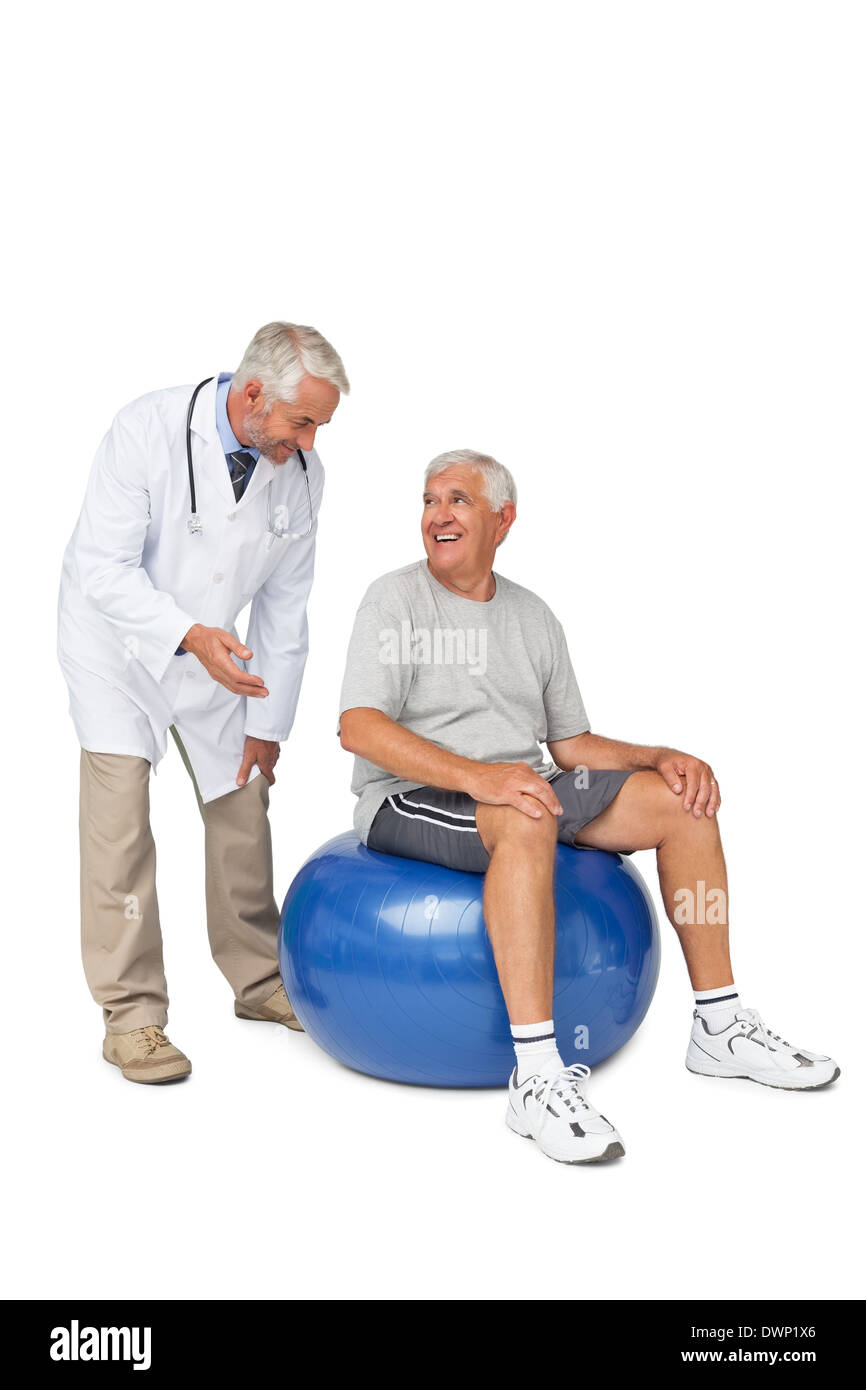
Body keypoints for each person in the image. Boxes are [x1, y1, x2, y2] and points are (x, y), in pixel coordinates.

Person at [337, 449, 840, 1165]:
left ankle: (720, 1027)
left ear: (502, 519)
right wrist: (480, 777)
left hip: (521, 785)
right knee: (527, 813)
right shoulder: (394, 600)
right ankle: (537, 1077)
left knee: (683, 803)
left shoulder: (531, 615)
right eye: (428, 501)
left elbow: (569, 745)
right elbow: (359, 726)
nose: (437, 516)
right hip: (411, 797)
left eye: (457, 501)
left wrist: (656, 755)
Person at [58, 321, 349, 1083]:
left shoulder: (305, 476)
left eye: (319, 424)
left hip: (219, 658)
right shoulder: (145, 429)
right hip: (116, 649)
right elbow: (103, 569)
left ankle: (259, 982)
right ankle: (132, 1018)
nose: (311, 442)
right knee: (120, 829)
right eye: (303, 421)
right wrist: (188, 634)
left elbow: (287, 610)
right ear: (255, 394)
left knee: (242, 811)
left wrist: (272, 724)